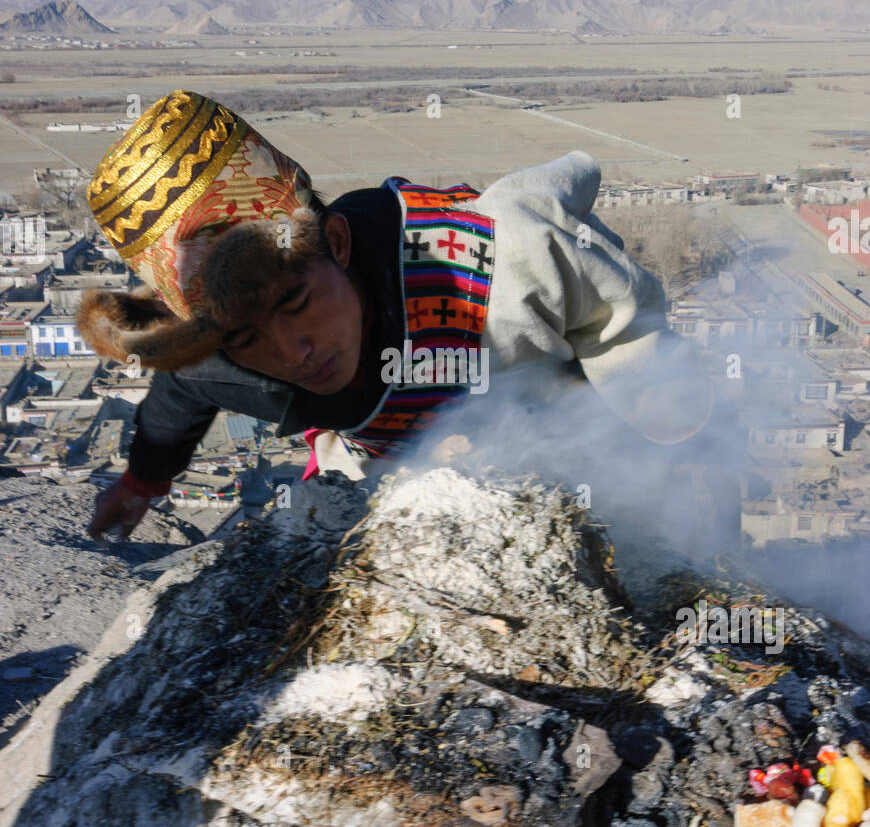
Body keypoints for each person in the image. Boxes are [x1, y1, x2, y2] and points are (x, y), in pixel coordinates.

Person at [79, 89, 724, 543]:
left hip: (571, 446)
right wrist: (142, 482)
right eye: (247, 336)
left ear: (334, 243)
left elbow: (626, 333)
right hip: (388, 471)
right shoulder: (222, 358)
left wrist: (679, 442)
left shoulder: (509, 256)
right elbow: (179, 393)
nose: (293, 352)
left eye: (296, 302)